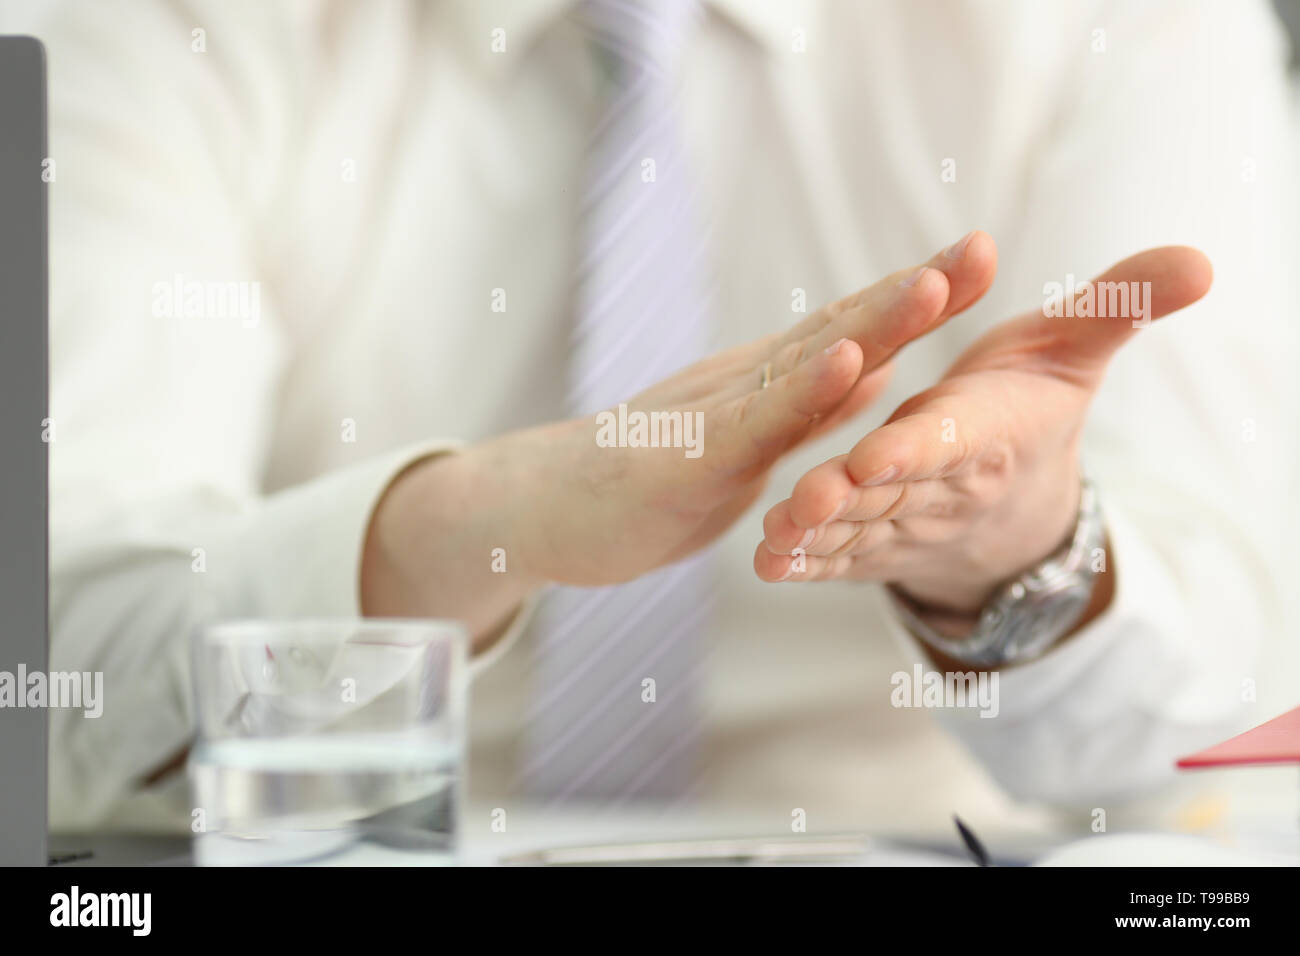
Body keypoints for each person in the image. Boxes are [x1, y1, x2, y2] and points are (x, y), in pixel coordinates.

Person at [18, 0, 1297, 835]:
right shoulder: (150, 28)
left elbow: (1231, 711)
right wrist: (451, 534)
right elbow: (41, 675)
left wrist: (1021, 563)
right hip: (348, 844)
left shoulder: (1127, 27)